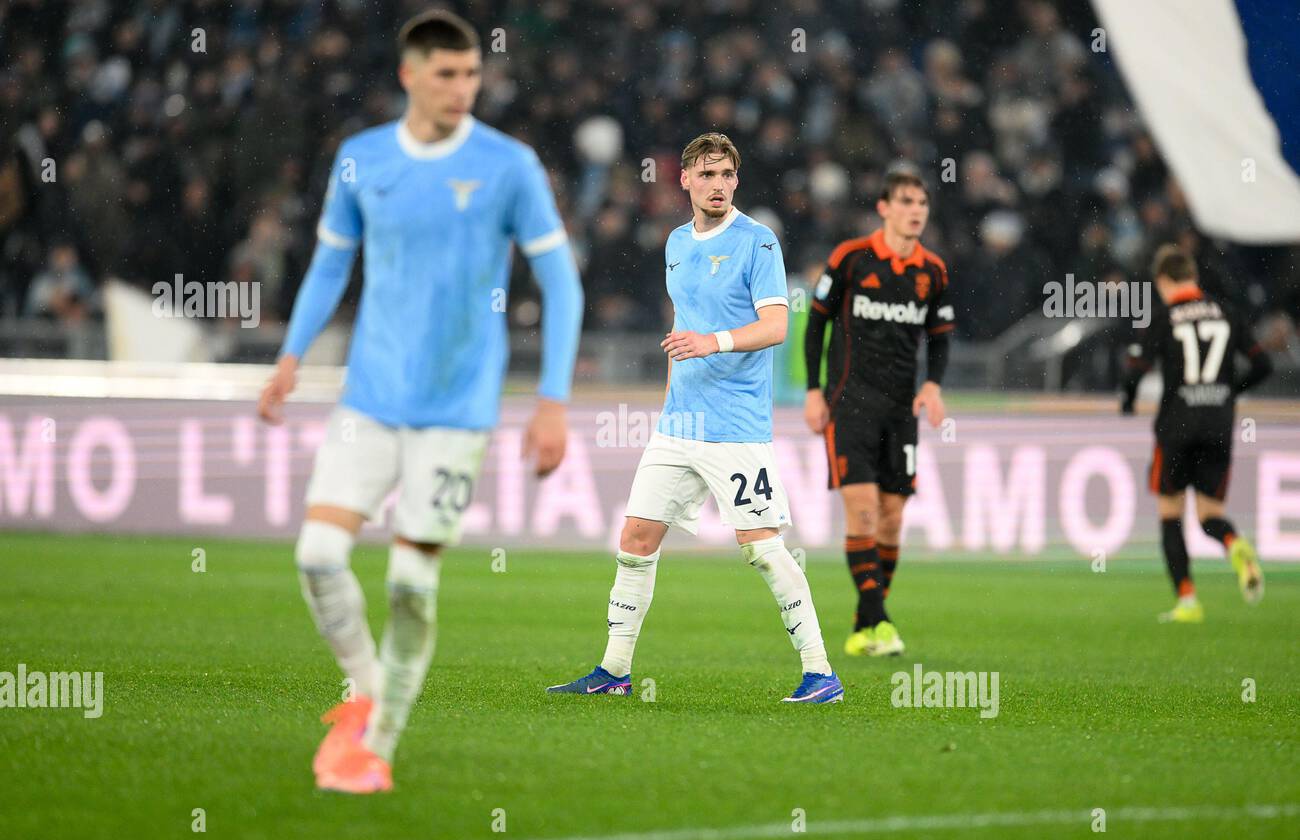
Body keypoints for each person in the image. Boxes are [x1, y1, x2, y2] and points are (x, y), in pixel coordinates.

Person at [257, 9, 583, 792]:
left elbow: (563, 284)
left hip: (457, 411)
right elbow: (330, 268)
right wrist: (290, 356)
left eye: (472, 74)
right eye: (446, 74)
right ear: (410, 75)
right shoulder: (360, 160)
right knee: (317, 556)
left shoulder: (510, 165)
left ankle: (378, 745)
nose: (463, 88)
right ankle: (368, 694)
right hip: (370, 398)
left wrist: (553, 399)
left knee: (409, 584)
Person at [547, 132, 843, 704]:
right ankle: (614, 670)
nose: (718, 185)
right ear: (683, 179)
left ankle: (819, 671)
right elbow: (682, 331)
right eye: (706, 175)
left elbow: (776, 326)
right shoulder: (677, 243)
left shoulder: (758, 243)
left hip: (735, 425)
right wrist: (671, 395)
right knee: (636, 537)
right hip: (678, 424)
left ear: (737, 180)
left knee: (760, 545)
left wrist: (713, 342)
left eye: (727, 175)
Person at [803, 168, 954, 657]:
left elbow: (940, 336)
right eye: (907, 202)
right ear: (884, 208)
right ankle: (883, 622)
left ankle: (863, 624)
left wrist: (932, 384)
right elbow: (816, 325)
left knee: (891, 519)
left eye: (922, 204)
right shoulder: (851, 258)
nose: (916, 211)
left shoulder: (933, 271)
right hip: (849, 406)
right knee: (863, 512)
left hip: (900, 410)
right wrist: (811, 390)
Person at [1121, 244, 1271, 622]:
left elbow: (1136, 367)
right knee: (1209, 515)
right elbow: (1263, 363)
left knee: (1171, 514)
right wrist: (1230, 390)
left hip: (1176, 426)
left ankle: (1188, 601)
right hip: (1218, 425)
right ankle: (1234, 543)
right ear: (1194, 278)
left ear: (1163, 281)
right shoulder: (1227, 312)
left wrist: (1128, 400)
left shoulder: (1165, 316)